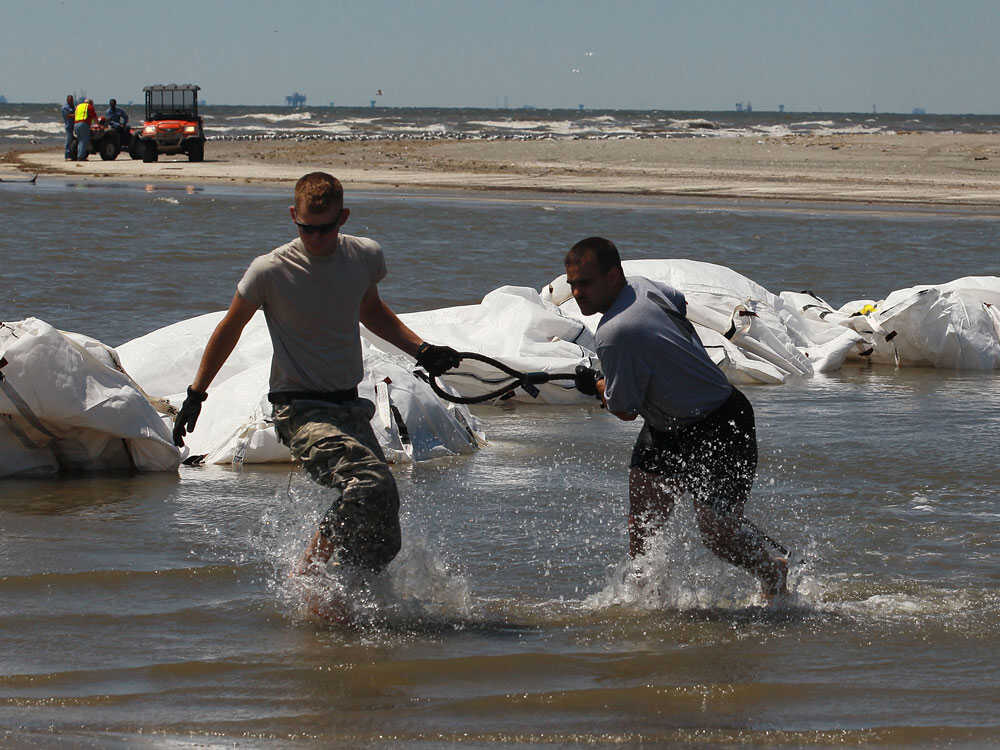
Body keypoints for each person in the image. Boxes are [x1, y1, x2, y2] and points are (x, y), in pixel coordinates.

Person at [171, 172, 460, 618]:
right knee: (369, 483)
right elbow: (230, 327)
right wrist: (196, 393)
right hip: (298, 408)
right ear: (293, 217)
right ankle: (307, 576)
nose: (316, 238)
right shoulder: (269, 270)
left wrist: (422, 349)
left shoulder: (364, 257)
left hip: (349, 406)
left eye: (326, 228)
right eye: (307, 228)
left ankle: (351, 604)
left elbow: (371, 311)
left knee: (384, 522)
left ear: (343, 217)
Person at [565, 237, 789, 602]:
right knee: (643, 528)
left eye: (586, 283)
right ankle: (649, 602)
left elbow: (623, 410)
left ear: (613, 275)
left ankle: (772, 571)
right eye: (572, 283)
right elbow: (679, 304)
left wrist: (598, 384)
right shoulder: (644, 286)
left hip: (721, 424)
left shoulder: (613, 333)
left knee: (716, 533)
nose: (577, 292)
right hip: (666, 427)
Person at [61, 95, 75, 160]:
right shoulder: (65, 107)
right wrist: (76, 115)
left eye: (72, 100)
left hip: (74, 125)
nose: (71, 101)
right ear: (67, 100)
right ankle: (67, 156)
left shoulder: (73, 106)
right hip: (69, 126)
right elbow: (67, 115)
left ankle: (72, 155)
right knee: (68, 141)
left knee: (73, 141)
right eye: (70, 100)